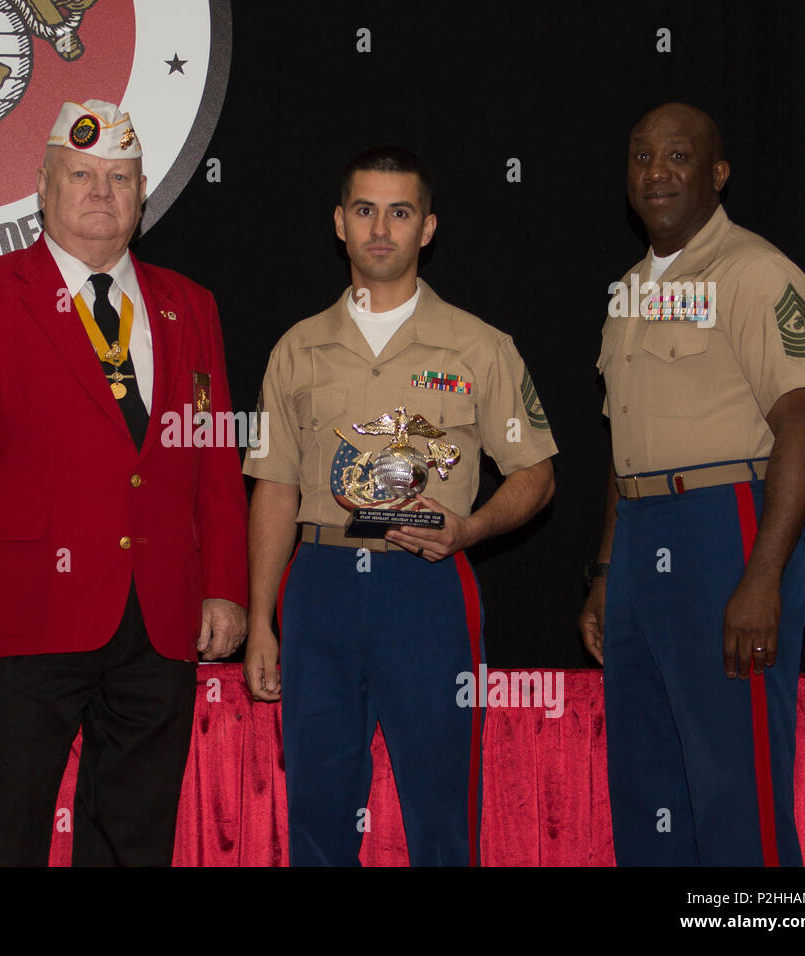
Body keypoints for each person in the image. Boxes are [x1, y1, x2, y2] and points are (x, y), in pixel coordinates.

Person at [0, 99, 248, 866]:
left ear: (143, 192)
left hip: (159, 614)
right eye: (82, 175)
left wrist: (225, 583)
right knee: (6, 830)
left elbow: (214, 457)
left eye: (119, 178)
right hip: (24, 609)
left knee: (133, 832)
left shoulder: (190, 304)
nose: (102, 192)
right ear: (42, 185)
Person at [242, 146, 557, 865]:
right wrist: (261, 622)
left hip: (428, 586)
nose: (380, 227)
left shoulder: (480, 346)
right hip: (318, 586)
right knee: (317, 814)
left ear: (428, 228)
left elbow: (537, 473)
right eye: (364, 210)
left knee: (443, 812)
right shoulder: (297, 349)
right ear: (340, 224)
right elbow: (274, 488)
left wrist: (473, 527)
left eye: (400, 211)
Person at [578, 102, 805, 866]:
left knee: (735, 788)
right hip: (641, 544)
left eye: (678, 156)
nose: (656, 171)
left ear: (717, 174)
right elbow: (627, 446)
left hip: (729, 532)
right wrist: (603, 573)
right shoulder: (627, 291)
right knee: (649, 791)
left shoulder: (757, 272)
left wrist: (764, 575)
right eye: (641, 156)